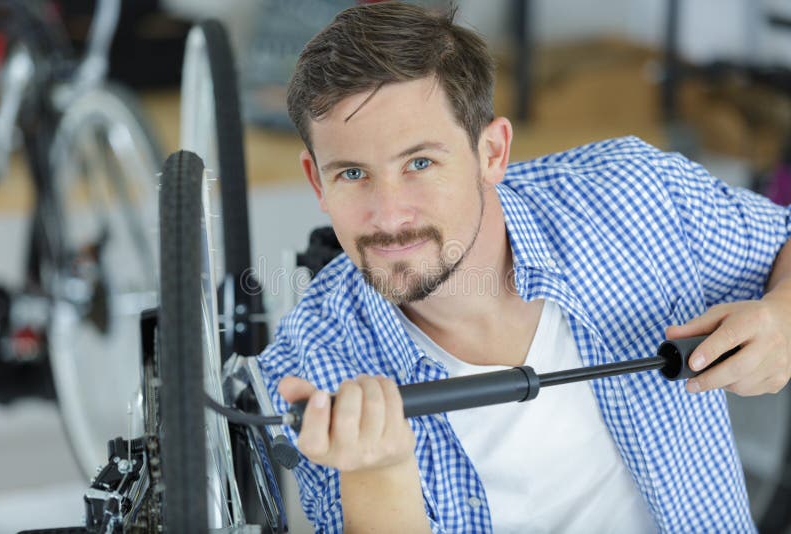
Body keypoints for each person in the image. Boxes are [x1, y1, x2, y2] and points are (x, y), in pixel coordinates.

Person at [251, 2, 791, 532]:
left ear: (492, 152)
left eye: (420, 163)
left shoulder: (637, 196)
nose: (389, 215)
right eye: (351, 174)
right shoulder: (312, 365)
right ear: (317, 181)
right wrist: (379, 476)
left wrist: (784, 314)